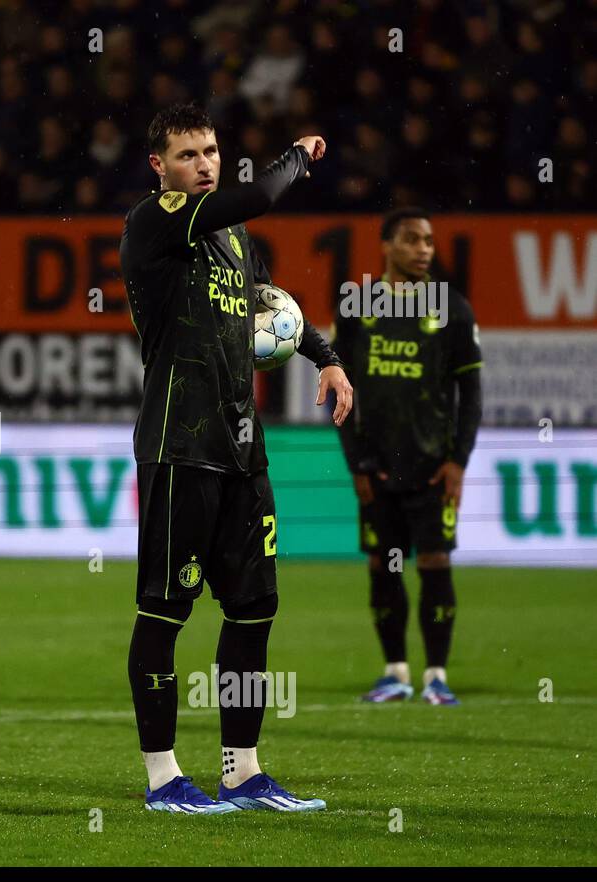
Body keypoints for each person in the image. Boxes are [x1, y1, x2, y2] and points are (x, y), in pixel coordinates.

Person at [119, 103, 354, 814]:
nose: (205, 165)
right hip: (178, 446)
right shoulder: (159, 217)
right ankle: (163, 779)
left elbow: (270, 306)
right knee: (164, 613)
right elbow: (260, 193)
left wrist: (329, 358)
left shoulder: (230, 239)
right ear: (159, 166)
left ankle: (242, 771)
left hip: (241, 451)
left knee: (254, 609)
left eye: (212, 152)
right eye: (188, 155)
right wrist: (298, 155)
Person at [332, 209, 483, 706]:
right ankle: (395, 671)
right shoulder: (358, 307)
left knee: (436, 561)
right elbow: (337, 387)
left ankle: (436, 675)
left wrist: (458, 459)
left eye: (429, 241)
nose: (424, 249)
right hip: (376, 468)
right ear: (387, 246)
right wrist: (356, 462)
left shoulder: (453, 309)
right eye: (412, 240)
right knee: (383, 564)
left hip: (432, 467)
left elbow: (472, 393)